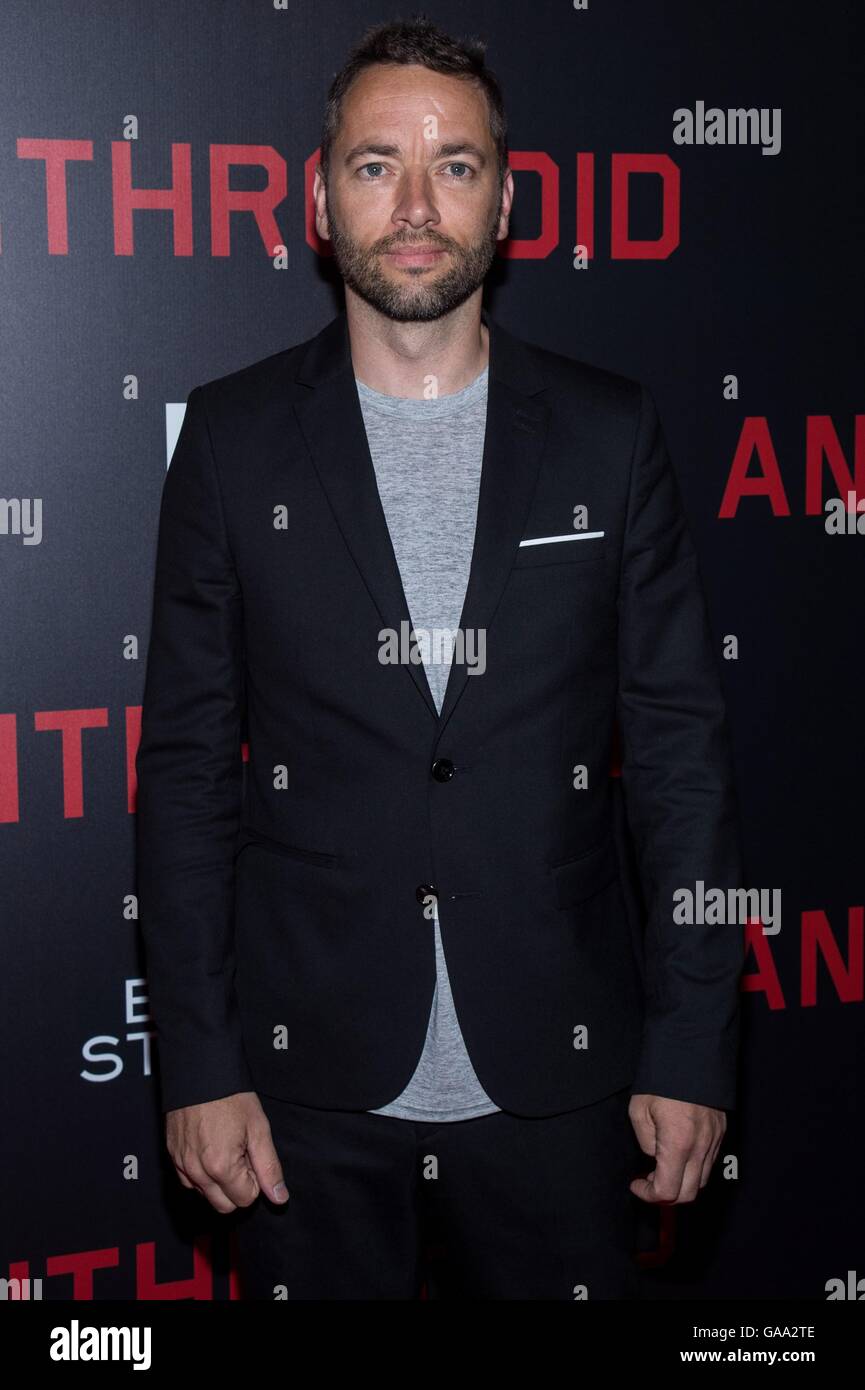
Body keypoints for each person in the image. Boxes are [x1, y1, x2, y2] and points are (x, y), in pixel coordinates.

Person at [135, 16, 745, 1300]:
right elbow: (189, 773)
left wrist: (693, 1045)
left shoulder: (608, 434)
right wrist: (198, 1061)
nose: (415, 204)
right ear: (318, 199)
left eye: (454, 165)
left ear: (506, 201)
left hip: (568, 1087)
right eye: (374, 165)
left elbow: (683, 763)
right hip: (306, 1099)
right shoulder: (235, 444)